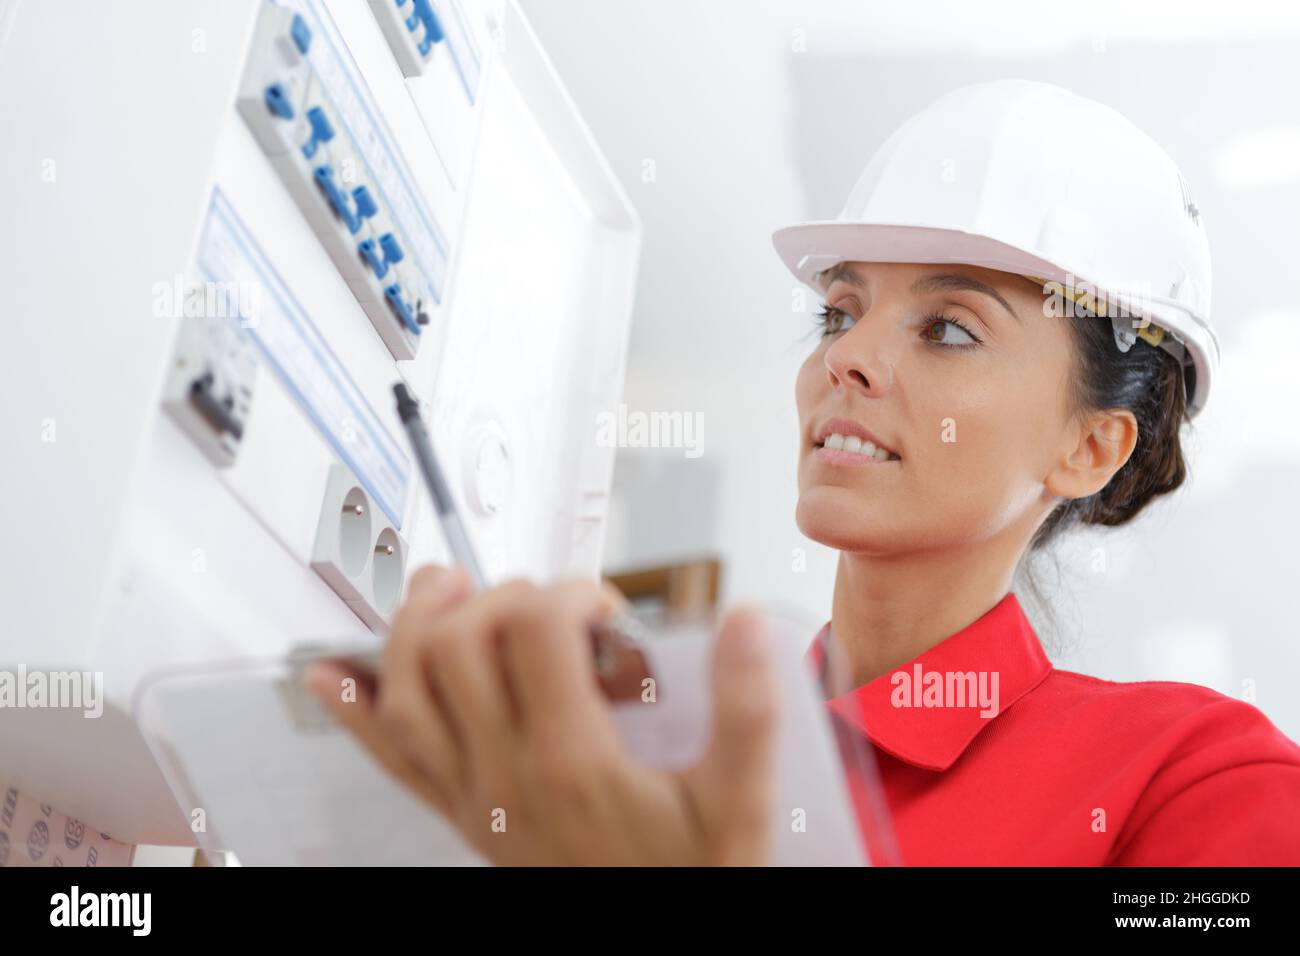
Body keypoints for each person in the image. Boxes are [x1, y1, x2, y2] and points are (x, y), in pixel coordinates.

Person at [306, 80, 1300, 865]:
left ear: (1089, 446)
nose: (846, 356)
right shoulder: (629, 739)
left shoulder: (1198, 778)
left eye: (949, 327)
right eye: (838, 311)